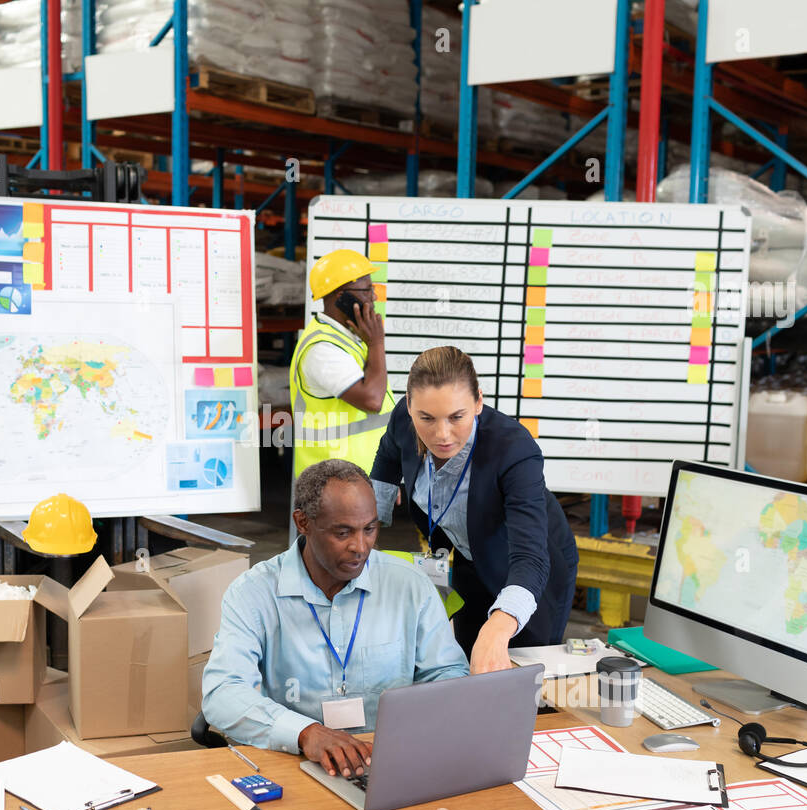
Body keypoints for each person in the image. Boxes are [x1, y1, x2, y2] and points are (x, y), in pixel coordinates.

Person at [201, 459, 469, 779]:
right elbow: (222, 693)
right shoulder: (253, 593)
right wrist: (304, 733)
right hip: (295, 763)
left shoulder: (410, 585)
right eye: (343, 532)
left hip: (389, 761)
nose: (360, 547)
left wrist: (415, 733)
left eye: (369, 529)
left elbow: (448, 673)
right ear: (303, 522)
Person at [370, 346, 579, 674]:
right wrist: (368, 528)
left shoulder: (514, 451)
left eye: (457, 417)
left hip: (528, 565)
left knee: (522, 675)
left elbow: (531, 558)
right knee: (467, 664)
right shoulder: (403, 418)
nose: (442, 435)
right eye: (427, 418)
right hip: (467, 556)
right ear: (410, 405)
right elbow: (387, 457)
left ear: (478, 402)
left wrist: (500, 625)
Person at [289, 249, 396, 484]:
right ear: (341, 297)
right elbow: (372, 401)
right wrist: (377, 342)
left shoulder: (349, 339)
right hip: (333, 485)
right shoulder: (322, 349)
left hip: (361, 478)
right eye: (367, 290)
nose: (374, 297)